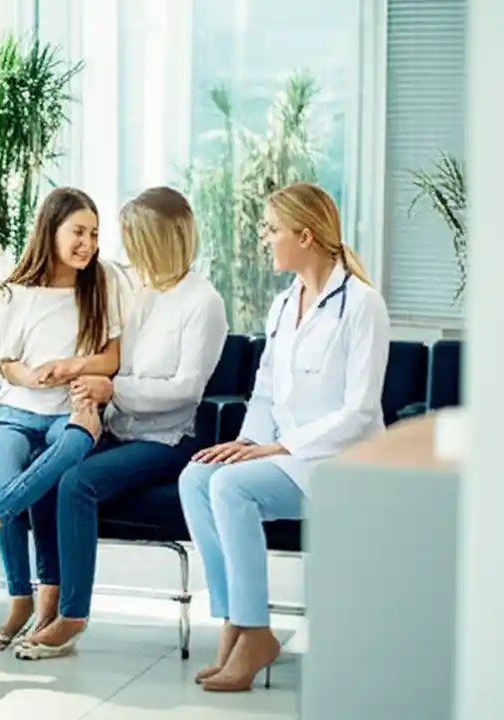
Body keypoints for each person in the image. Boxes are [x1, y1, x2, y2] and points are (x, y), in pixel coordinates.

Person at [180, 181, 390, 692]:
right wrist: (248, 445)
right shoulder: (282, 306)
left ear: (306, 234)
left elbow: (360, 411)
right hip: (285, 458)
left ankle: (255, 633)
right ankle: (236, 620)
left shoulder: (362, 305)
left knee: (232, 488)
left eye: (271, 230)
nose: (264, 239)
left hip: (341, 462)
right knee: (197, 477)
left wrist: (279, 448)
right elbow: (267, 393)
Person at [15, 187, 229, 660]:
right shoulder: (141, 291)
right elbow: (112, 361)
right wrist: (85, 384)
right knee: (46, 465)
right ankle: (47, 596)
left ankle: (73, 616)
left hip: (168, 438)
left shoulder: (203, 302)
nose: (124, 249)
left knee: (78, 483)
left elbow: (185, 389)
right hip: (118, 425)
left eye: (134, 237)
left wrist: (113, 390)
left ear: (159, 239)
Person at [0, 186, 126, 652]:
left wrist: (72, 367)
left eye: (94, 234)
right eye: (78, 232)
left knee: (68, 448)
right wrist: (29, 375)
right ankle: (20, 601)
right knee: (7, 472)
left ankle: (34, 584)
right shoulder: (16, 292)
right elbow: (2, 363)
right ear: (50, 231)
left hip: (69, 410)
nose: (87, 244)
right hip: (16, 409)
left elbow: (111, 358)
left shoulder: (101, 284)